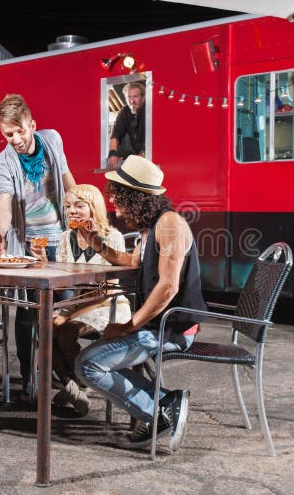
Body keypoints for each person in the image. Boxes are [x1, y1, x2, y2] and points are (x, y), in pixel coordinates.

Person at [75, 155, 206, 451]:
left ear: (136, 199)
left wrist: (127, 327)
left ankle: (158, 410)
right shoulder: (152, 228)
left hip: (172, 330)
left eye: (120, 202)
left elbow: (168, 286)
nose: (118, 212)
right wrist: (94, 240)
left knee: (89, 364)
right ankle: (164, 403)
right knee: (89, 360)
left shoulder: (171, 224)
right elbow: (130, 261)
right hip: (156, 325)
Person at [0, 93, 76, 396]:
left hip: (60, 241)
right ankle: (28, 377)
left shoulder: (52, 140)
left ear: (32, 125)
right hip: (27, 246)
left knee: (66, 307)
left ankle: (66, 375)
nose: (15, 139)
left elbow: (67, 180)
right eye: (8, 134)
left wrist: (81, 207)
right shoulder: (3, 163)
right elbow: (3, 203)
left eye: (19, 131)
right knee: (27, 314)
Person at [29, 184, 131, 415]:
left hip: (109, 304)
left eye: (79, 205)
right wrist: (44, 260)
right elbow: (64, 279)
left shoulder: (112, 237)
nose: (71, 211)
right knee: (45, 329)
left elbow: (109, 289)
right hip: (79, 303)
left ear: (94, 207)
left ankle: (80, 385)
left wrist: (68, 315)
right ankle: (75, 388)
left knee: (65, 332)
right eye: (67, 207)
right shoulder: (67, 238)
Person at [107, 82, 146, 169]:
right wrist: (112, 153)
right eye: (129, 97)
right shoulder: (124, 111)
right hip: (138, 155)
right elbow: (116, 134)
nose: (131, 101)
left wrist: (145, 154)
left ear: (143, 97)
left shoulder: (149, 109)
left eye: (135, 96)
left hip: (152, 155)